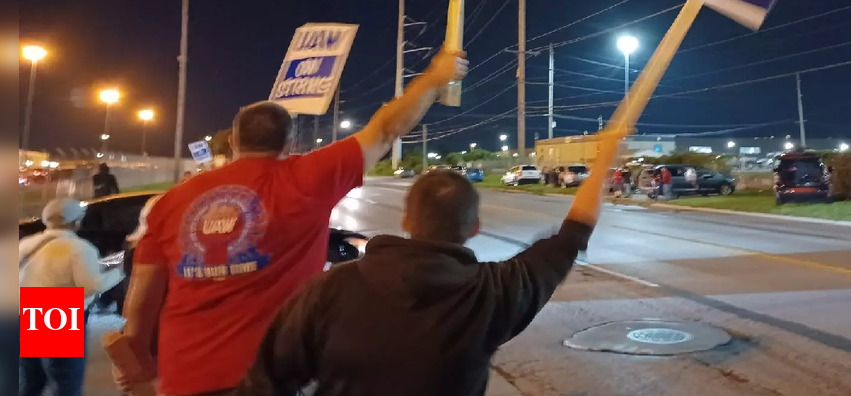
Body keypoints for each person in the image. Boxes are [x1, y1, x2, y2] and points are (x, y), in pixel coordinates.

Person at [115, 50, 467, 396]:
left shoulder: (171, 201)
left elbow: (142, 299)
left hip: (186, 379)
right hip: (271, 378)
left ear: (234, 141)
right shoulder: (307, 179)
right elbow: (386, 130)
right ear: (291, 141)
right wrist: (435, 79)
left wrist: (138, 357)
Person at [231, 130, 624, 396]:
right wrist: (604, 159)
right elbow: (572, 235)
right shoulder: (492, 292)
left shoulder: (332, 288)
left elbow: (267, 380)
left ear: (407, 222)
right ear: (475, 228)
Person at [19, 197, 125, 396]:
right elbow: (93, 285)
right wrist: (121, 272)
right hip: (58, 314)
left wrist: (110, 263)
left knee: (31, 381)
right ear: (77, 221)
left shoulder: (26, 244)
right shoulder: (79, 248)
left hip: (25, 311)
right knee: (65, 382)